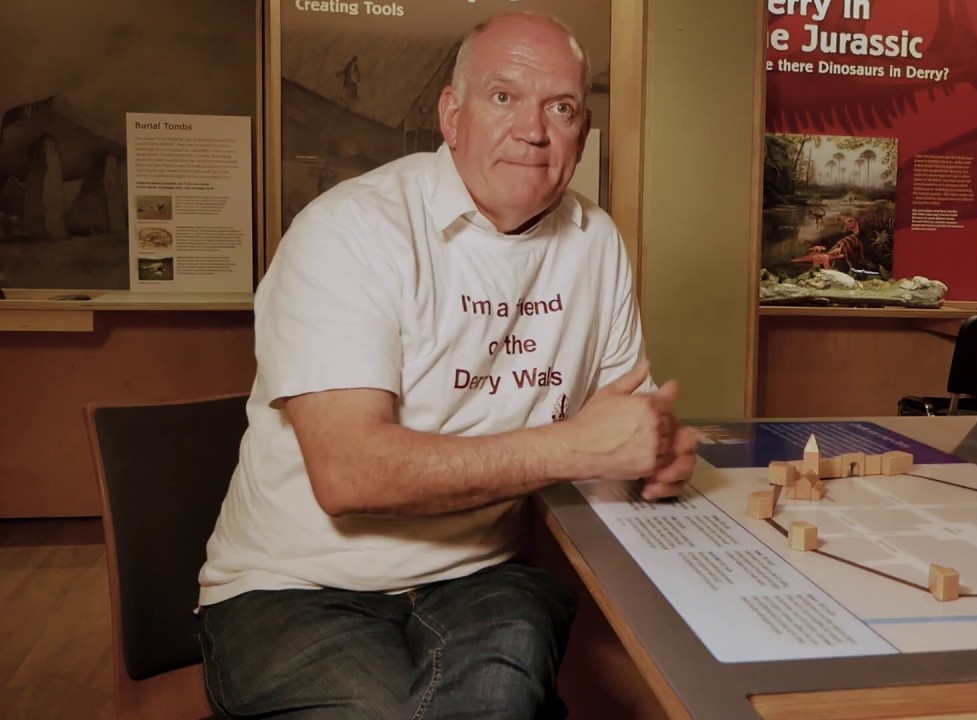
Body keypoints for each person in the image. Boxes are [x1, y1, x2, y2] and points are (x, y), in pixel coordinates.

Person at [196, 12, 700, 719]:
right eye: (504, 97)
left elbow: (618, 426)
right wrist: (579, 447)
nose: (533, 130)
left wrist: (651, 455)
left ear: (583, 134)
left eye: (560, 107)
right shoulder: (349, 228)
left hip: (480, 577)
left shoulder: (596, 243)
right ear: (451, 115)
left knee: (502, 693)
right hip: (293, 587)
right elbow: (349, 473)